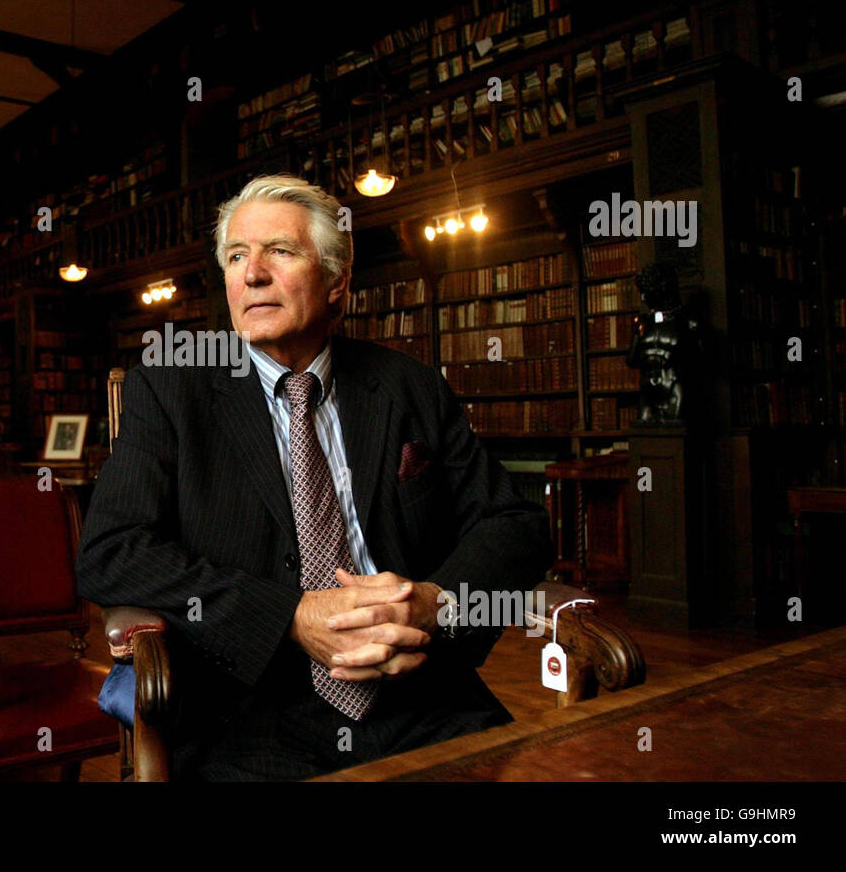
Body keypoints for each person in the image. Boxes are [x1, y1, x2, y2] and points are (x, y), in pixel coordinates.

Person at [76, 174, 553, 780]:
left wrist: (437, 604)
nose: (252, 274)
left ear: (337, 281)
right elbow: (109, 551)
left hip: (419, 691)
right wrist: (290, 618)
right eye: (236, 256)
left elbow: (515, 522)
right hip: (247, 706)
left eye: (280, 251)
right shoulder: (170, 385)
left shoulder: (409, 386)